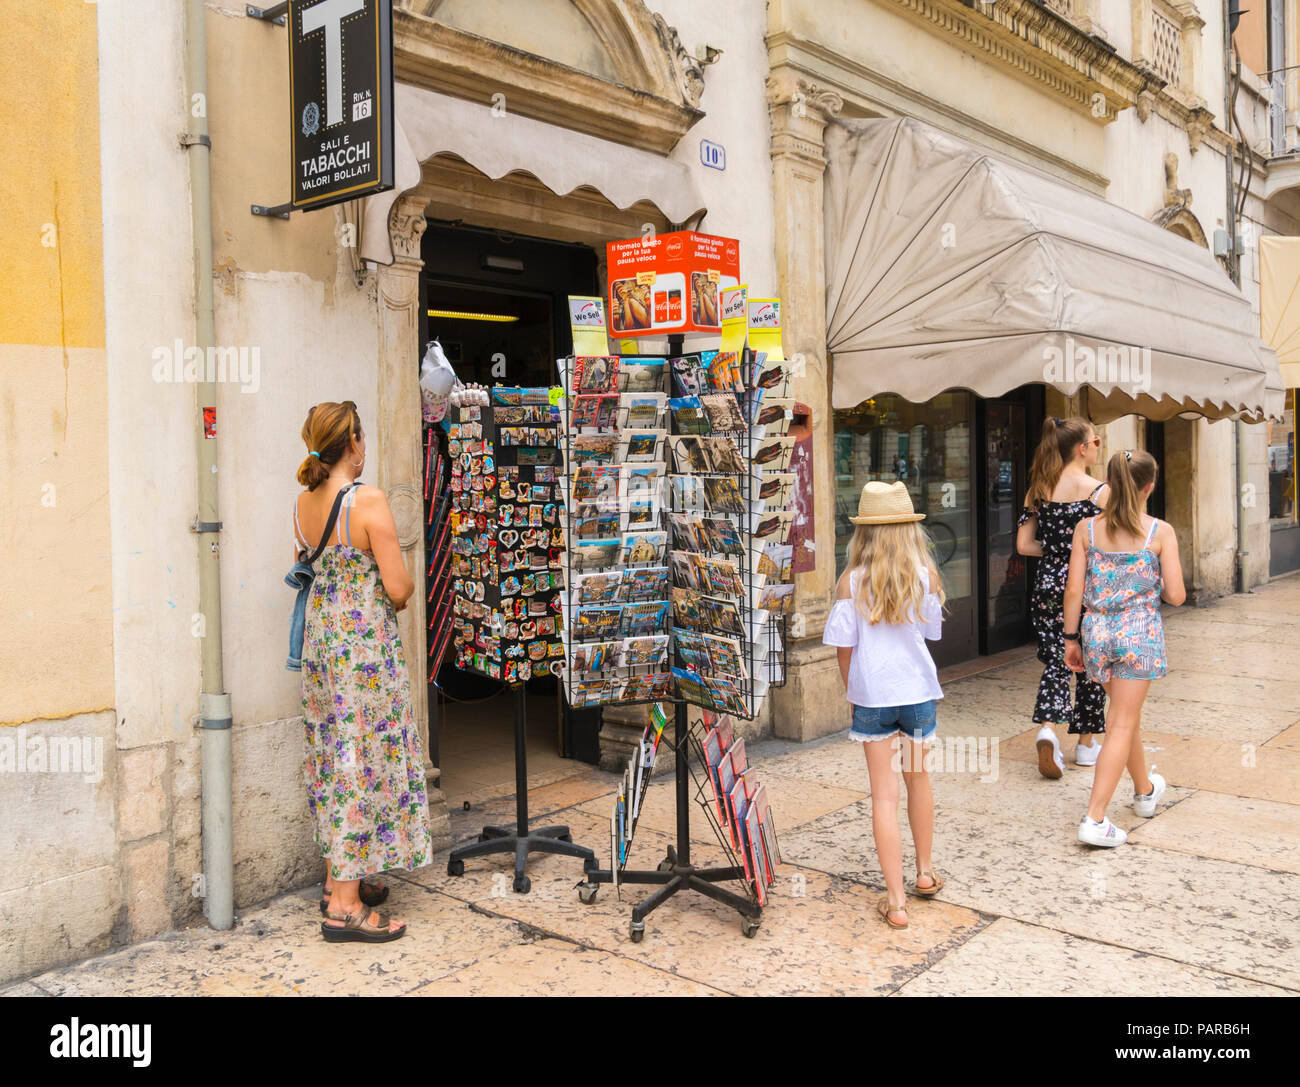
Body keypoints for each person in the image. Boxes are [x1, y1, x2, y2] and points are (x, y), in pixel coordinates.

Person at [292, 401, 432, 942]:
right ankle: (346, 907)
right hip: (363, 655)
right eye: (362, 436)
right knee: (360, 761)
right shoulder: (367, 499)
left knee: (335, 757)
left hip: (323, 651)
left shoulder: (303, 502)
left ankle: (337, 880)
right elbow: (398, 588)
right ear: (351, 443)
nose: (365, 444)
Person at [823, 481, 946, 929]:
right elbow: (931, 635)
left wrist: (852, 691)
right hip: (918, 697)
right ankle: (926, 873)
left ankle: (896, 902)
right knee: (919, 781)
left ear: (865, 533)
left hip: (873, 699)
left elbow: (843, 648)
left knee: (883, 796)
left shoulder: (850, 582)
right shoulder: (926, 576)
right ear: (909, 530)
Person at [1065, 450, 1184, 847]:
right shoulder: (1160, 532)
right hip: (1138, 635)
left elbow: (1074, 590)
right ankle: (1095, 818)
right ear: (1149, 486)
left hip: (1096, 633)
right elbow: (1178, 595)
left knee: (1123, 716)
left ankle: (1145, 791)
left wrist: (1070, 638)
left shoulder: (1087, 529)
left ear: (1112, 483)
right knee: (1120, 721)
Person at [1016, 416, 1108, 778]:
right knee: (1090, 663)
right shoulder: (1100, 492)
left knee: (1058, 658)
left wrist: (1055, 552)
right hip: (1087, 587)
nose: (1098, 447)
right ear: (1083, 448)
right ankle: (1086, 744)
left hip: (1047, 586)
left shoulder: (1038, 488)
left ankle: (1048, 730)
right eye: (1095, 441)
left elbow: (1024, 545)